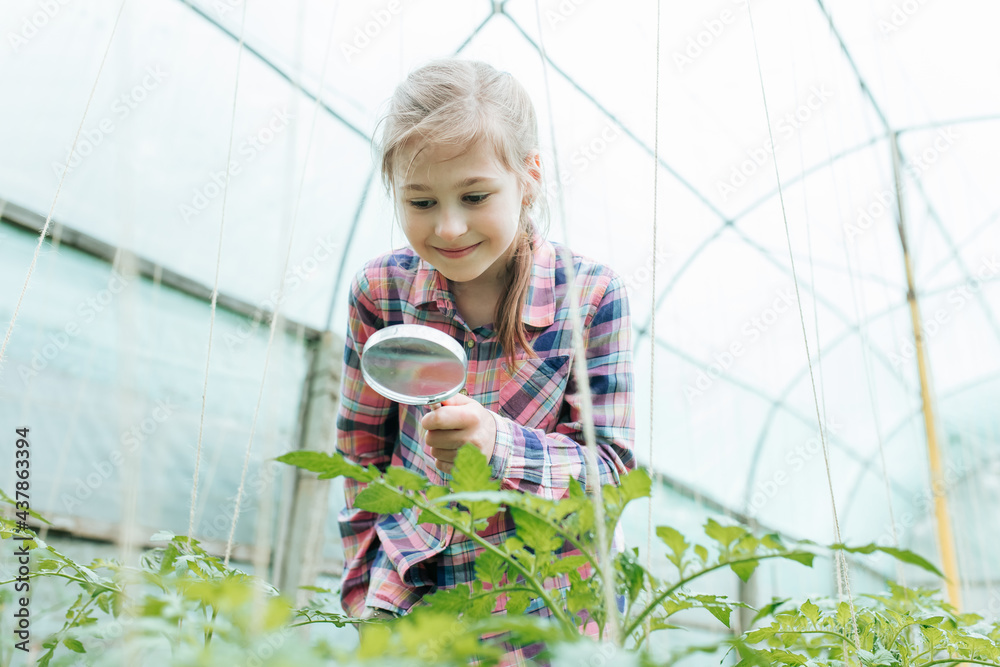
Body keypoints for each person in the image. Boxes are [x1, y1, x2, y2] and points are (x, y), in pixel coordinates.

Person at [336, 57, 636, 665]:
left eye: (475, 196)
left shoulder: (592, 298)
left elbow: (613, 475)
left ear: (528, 178)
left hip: (547, 608)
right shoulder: (381, 292)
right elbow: (361, 454)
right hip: (416, 603)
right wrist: (364, 591)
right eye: (420, 202)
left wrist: (496, 445)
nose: (449, 227)